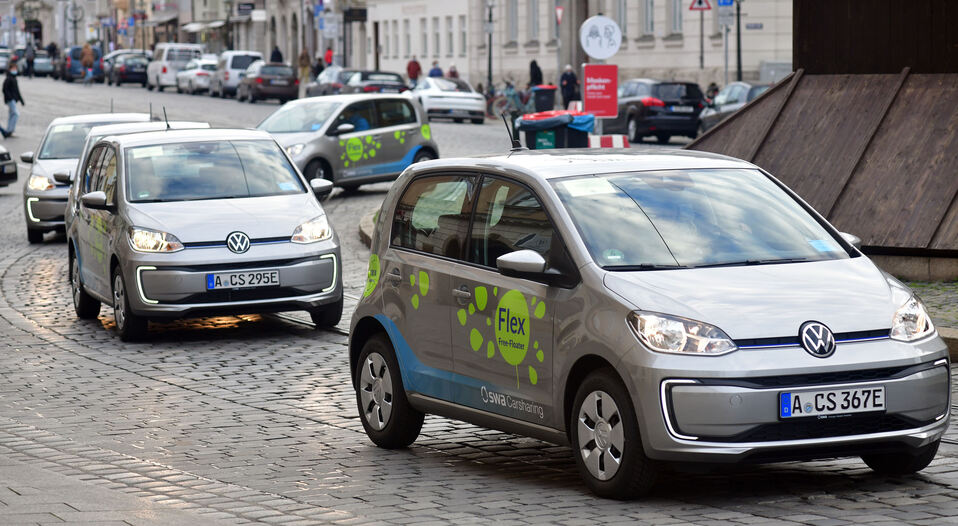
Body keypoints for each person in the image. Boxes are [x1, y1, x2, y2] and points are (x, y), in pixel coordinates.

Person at [1, 61, 24, 138]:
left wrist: (21, 100)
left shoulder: (14, 78)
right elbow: (4, 89)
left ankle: (9, 130)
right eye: (13, 68)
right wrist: (10, 97)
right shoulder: (8, 78)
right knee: (15, 114)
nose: (15, 70)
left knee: (12, 114)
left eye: (15, 68)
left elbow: (17, 90)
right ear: (10, 69)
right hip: (10, 100)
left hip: (13, 99)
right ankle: (10, 130)